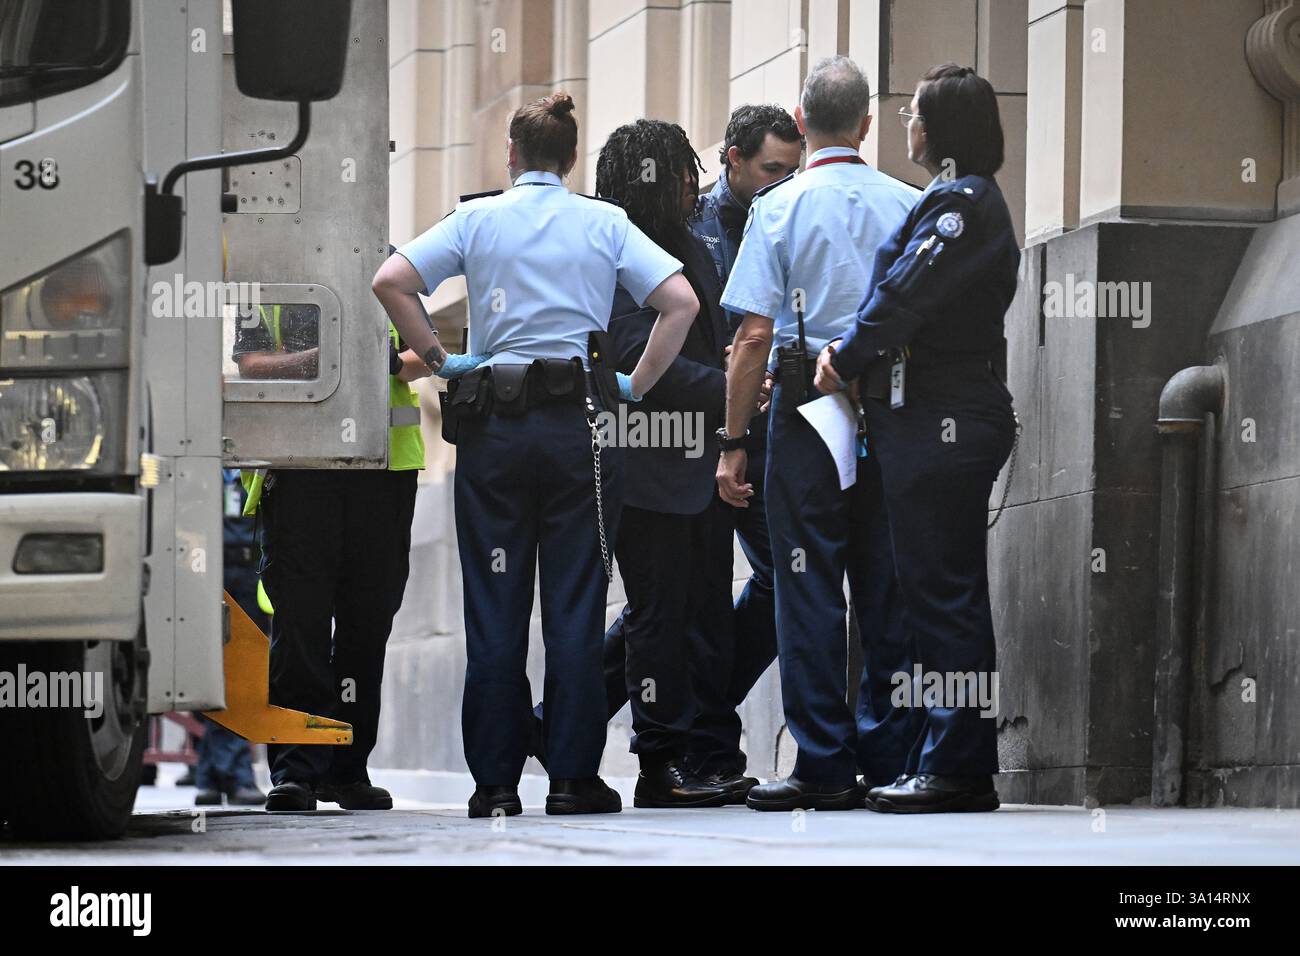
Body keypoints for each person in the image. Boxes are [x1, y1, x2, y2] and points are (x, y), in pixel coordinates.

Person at [372, 92, 698, 818]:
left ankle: (493, 785)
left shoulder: (478, 218)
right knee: (576, 608)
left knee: (494, 609)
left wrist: (443, 359)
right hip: (580, 425)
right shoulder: (604, 222)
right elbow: (680, 302)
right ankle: (574, 780)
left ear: (512, 156)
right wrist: (632, 386)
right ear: (571, 158)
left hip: (493, 429)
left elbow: (391, 281)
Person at [716, 55, 921, 811]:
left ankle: (823, 764)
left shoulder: (779, 206)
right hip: (890, 400)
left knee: (805, 584)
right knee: (885, 582)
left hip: (804, 409)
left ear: (802, 124)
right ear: (867, 123)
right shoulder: (910, 204)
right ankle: (893, 757)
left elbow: (752, 337)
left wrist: (733, 440)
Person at [815, 64, 1018, 813]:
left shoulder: (963, 205)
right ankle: (947, 757)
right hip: (929, 417)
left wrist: (845, 355)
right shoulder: (955, 198)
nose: (905, 125)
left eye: (914, 115)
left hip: (946, 419)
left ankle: (958, 765)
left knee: (945, 597)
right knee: (935, 594)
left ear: (935, 128)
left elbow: (905, 295)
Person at [587, 119, 734, 808]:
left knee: (699, 615)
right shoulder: (615, 248)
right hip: (645, 462)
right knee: (655, 620)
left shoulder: (687, 245)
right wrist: (736, 390)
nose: (691, 183)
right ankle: (660, 764)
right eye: (680, 171)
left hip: (702, 458)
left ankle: (706, 752)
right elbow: (635, 352)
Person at [236, 298, 429, 812]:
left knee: (366, 627)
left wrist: (389, 360)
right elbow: (251, 365)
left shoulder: (390, 268)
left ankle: (347, 768)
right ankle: (296, 769)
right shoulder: (272, 275)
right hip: (300, 469)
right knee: (300, 627)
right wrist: (332, 355)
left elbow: (421, 356)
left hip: (383, 473)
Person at [686, 103, 802, 791]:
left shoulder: (789, 215)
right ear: (732, 159)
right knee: (681, 598)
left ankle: (706, 716)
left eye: (791, 169)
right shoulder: (689, 226)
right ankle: (705, 742)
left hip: (765, 435)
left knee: (782, 580)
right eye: (769, 169)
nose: (780, 181)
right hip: (695, 434)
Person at [192, 467, 269, 807]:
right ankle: (230, 772)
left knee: (241, 672)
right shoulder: (202, 468)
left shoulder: (254, 465)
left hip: (250, 571)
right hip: (210, 571)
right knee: (214, 670)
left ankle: (215, 773)